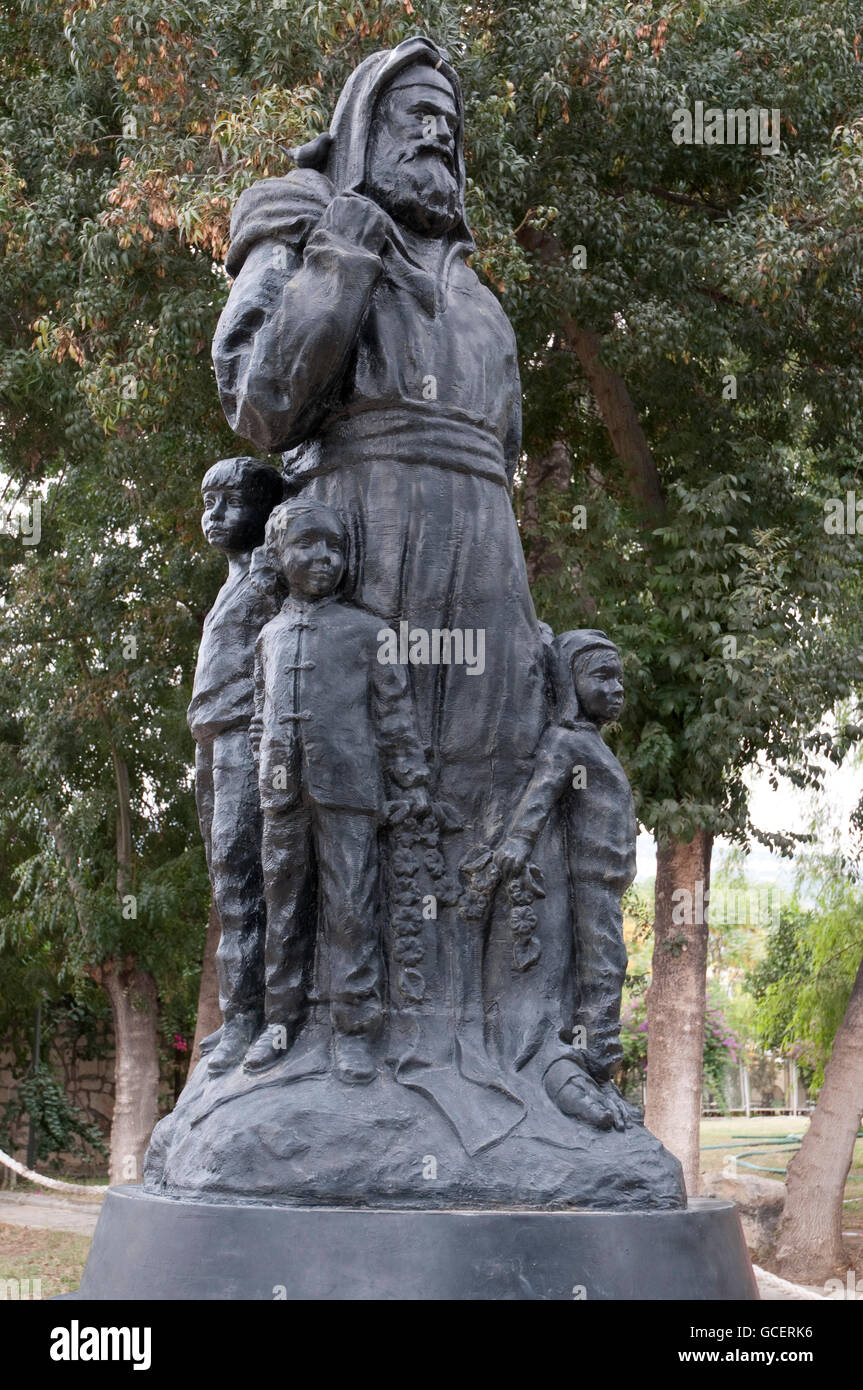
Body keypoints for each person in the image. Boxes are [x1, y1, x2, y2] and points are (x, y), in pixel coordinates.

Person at [244, 499, 430, 1084]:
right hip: (282, 796)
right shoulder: (269, 636)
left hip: (349, 791)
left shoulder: (368, 632)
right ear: (279, 555)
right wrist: (264, 767)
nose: (323, 558)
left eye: (335, 547)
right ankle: (280, 1022)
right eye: (307, 545)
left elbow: (394, 714)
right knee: (284, 910)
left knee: (352, 909)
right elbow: (259, 714)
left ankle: (356, 1030)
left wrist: (413, 783)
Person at [491, 630, 637, 1130]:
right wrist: (515, 843)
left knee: (602, 971)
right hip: (588, 883)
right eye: (602, 676)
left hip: (606, 882)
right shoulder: (566, 741)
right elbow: (540, 795)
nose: (617, 688)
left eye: (619, 677)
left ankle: (594, 1068)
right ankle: (593, 1065)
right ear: (571, 684)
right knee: (601, 972)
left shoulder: (590, 742)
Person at [187, 456, 285, 1075]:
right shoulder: (232, 584)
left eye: (230, 501)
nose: (214, 516)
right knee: (228, 882)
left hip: (245, 740)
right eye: (208, 501)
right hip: (211, 738)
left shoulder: (270, 580)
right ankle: (240, 1012)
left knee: (244, 876)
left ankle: (250, 1016)